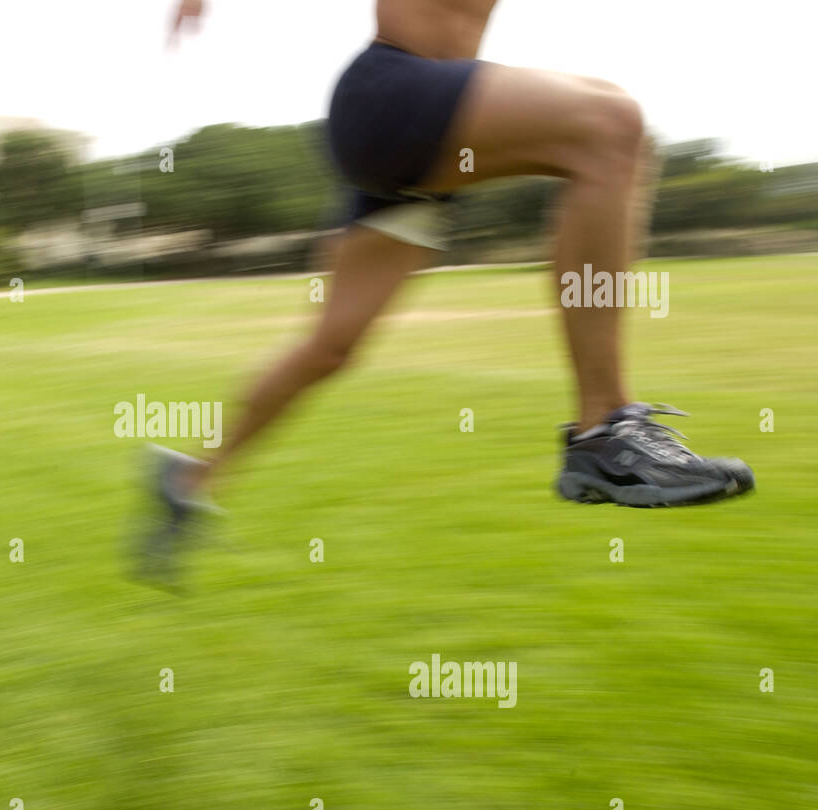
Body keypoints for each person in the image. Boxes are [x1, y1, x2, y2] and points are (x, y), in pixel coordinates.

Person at [144, 0, 754, 577]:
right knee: (610, 123)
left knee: (331, 345)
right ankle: (603, 430)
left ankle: (194, 476)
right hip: (392, 99)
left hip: (418, 135)